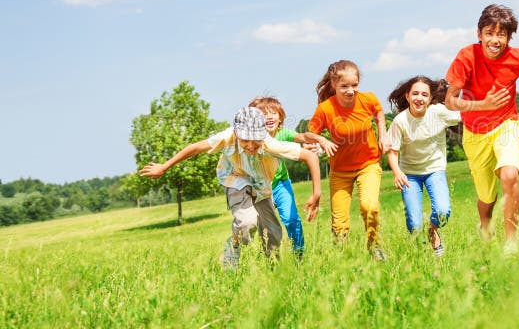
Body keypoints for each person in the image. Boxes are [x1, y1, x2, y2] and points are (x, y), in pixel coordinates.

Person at [139, 106, 322, 269]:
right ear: (236, 133)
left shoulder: (269, 143)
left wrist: (317, 193)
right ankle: (234, 242)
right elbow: (194, 148)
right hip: (235, 180)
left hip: (262, 185)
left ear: (262, 134)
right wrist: (164, 166)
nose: (250, 145)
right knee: (247, 222)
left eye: (255, 140)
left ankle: (272, 270)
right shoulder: (227, 137)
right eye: (245, 140)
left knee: (274, 234)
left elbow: (310, 157)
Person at [445, 3, 519, 256]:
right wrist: (483, 104)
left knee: (511, 175)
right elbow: (449, 101)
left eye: (501, 34)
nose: (495, 40)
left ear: (509, 37)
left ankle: (511, 243)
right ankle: (485, 226)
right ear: (479, 34)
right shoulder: (466, 56)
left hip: (506, 124)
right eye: (489, 33)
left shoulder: (517, 57)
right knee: (486, 197)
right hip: (475, 132)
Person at [308, 60, 390, 260]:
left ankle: (374, 246)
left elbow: (379, 113)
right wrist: (319, 140)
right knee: (339, 224)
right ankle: (343, 259)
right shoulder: (325, 109)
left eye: (354, 85)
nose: (350, 91)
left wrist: (383, 134)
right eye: (344, 86)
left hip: (368, 164)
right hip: (340, 171)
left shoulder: (368, 99)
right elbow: (309, 133)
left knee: (369, 206)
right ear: (334, 84)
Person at [249, 96, 337, 257]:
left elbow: (303, 137)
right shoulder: (251, 138)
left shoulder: (283, 133)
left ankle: (299, 256)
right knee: (265, 227)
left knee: (291, 220)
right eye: (264, 114)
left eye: (273, 113)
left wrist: (320, 139)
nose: (269, 117)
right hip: (259, 188)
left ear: (280, 116)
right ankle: (270, 260)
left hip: (280, 184)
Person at [387, 76, 461, 257]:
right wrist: (397, 172)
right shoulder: (400, 121)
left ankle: (433, 230)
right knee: (414, 225)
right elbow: (392, 151)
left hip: (434, 170)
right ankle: (420, 251)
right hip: (409, 174)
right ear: (407, 96)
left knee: (443, 212)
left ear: (430, 98)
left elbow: (464, 114)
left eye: (424, 94)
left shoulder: (438, 112)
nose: (419, 98)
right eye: (415, 94)